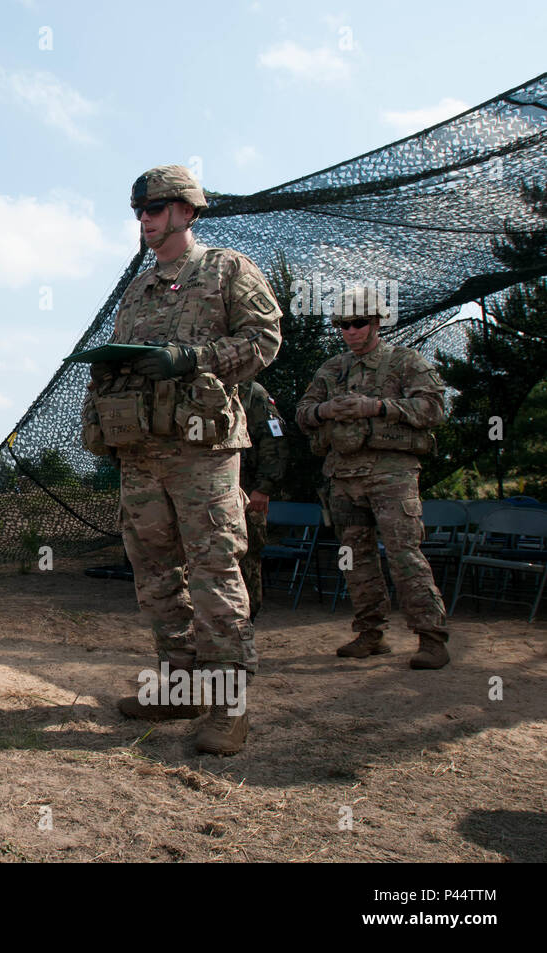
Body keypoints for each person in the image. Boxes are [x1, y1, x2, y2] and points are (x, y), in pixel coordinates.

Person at [82, 164, 281, 755]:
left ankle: (227, 707)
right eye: (139, 210)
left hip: (203, 452)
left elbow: (264, 340)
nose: (144, 219)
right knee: (155, 576)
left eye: (156, 208)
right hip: (142, 454)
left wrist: (191, 359)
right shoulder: (138, 288)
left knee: (216, 572)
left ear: (187, 211)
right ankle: (177, 686)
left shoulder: (227, 269)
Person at [295, 286, 450, 669]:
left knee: (404, 555)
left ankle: (431, 638)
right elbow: (302, 413)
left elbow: (433, 409)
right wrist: (325, 410)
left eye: (358, 323)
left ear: (377, 322)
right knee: (354, 558)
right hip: (344, 478)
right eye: (343, 325)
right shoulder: (331, 369)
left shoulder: (404, 362)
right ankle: (370, 633)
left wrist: (378, 407)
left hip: (391, 475)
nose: (351, 331)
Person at [238, 379, 290, 620]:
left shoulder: (251, 392)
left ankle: (245, 624)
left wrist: (264, 487)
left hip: (246, 492)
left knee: (246, 556)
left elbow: (274, 439)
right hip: (201, 491)